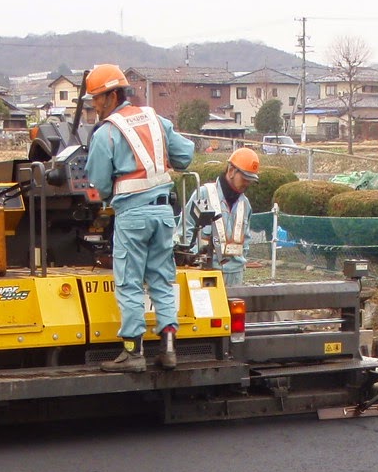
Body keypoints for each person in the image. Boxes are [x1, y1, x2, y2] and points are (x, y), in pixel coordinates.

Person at [81, 65, 195, 373]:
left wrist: (110, 196)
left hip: (132, 216)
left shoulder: (107, 133)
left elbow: (100, 183)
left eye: (97, 98)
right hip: (163, 213)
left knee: (129, 281)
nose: (94, 105)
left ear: (113, 94)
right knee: (161, 278)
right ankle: (169, 348)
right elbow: (186, 155)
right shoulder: (156, 120)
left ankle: (133, 353)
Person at [182, 148, 260, 286]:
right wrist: (194, 257)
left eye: (250, 180)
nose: (247, 183)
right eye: (245, 178)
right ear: (231, 171)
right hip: (206, 273)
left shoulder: (245, 204)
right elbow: (184, 230)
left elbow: (245, 240)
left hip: (235, 275)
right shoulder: (204, 194)